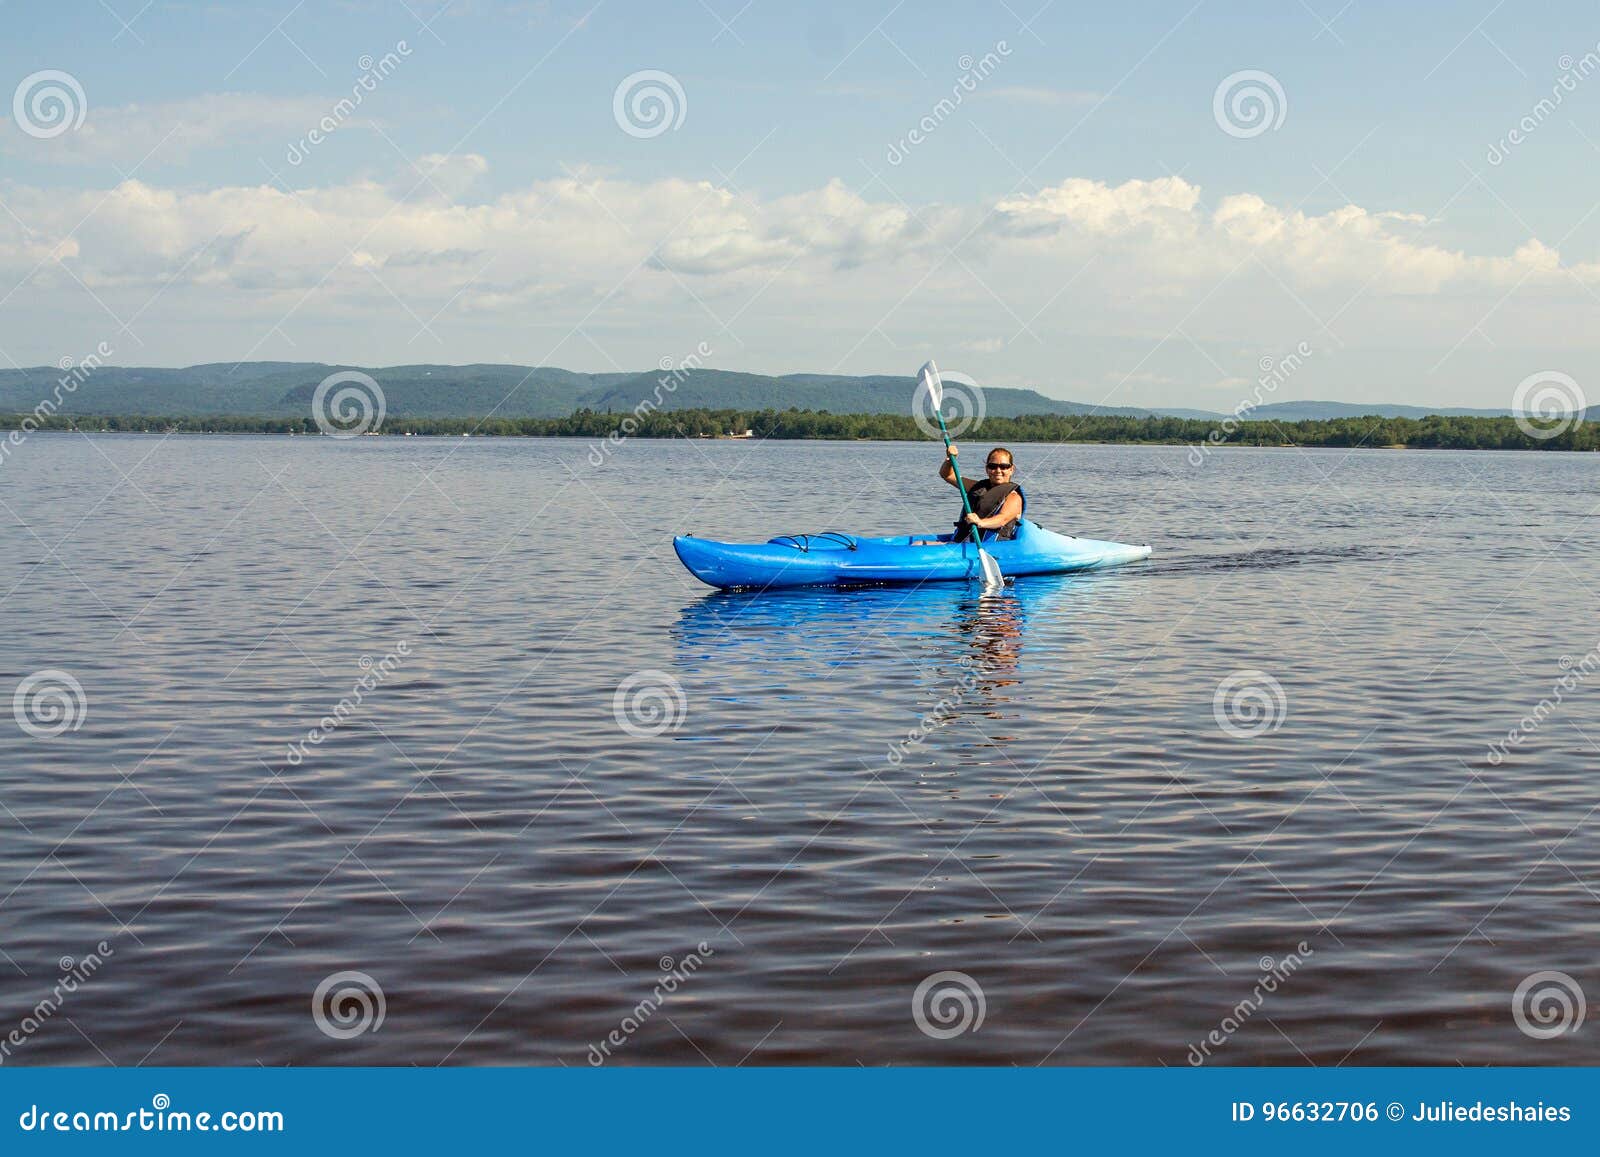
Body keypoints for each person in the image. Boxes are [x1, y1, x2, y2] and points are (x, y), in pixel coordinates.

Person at [914, 445, 1024, 545]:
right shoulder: (978, 487)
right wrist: (950, 459)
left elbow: (1002, 519)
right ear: (987, 469)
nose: (998, 470)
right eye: (992, 466)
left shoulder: (1014, 497)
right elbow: (947, 475)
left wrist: (980, 522)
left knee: (918, 545)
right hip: (963, 543)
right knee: (919, 544)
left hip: (991, 548)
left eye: (1004, 466)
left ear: (1011, 469)